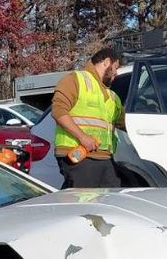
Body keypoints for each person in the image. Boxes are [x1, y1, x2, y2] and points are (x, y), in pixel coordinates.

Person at [51, 47, 126, 188]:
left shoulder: (112, 96)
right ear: (106, 62)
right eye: (115, 68)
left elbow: (126, 123)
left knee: (110, 199)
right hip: (79, 154)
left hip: (104, 157)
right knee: (83, 201)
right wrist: (83, 137)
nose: (116, 73)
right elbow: (58, 111)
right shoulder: (76, 79)